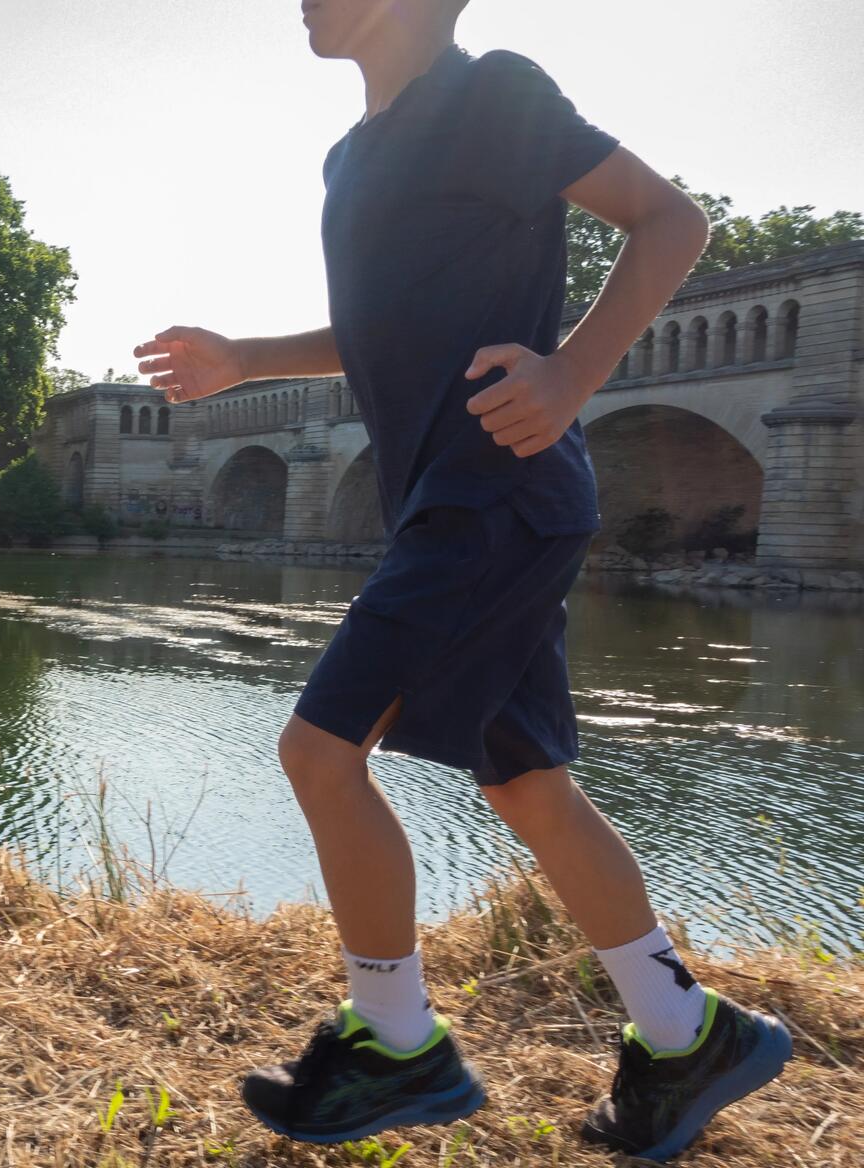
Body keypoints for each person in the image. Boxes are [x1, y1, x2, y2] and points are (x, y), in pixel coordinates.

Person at [131, 0, 792, 1160]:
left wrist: (574, 373)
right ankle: (686, 1033)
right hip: (455, 501)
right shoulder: (354, 153)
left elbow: (669, 221)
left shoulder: (493, 95)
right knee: (529, 783)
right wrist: (244, 362)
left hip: (498, 489)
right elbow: (377, 326)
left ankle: (397, 1039)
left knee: (318, 750)